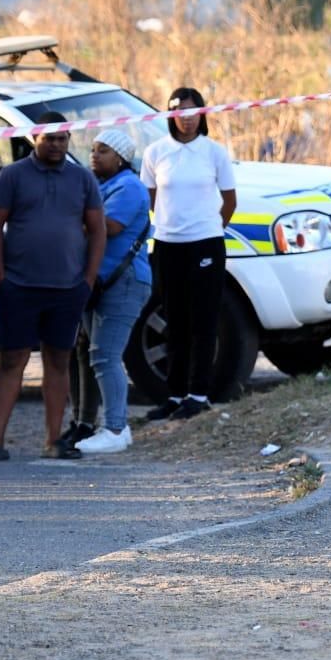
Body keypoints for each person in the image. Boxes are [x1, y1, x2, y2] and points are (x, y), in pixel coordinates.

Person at [0, 114, 105, 462]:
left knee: (59, 361)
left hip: (67, 287)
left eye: (62, 139)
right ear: (35, 138)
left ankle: (54, 440)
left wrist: (88, 279)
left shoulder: (82, 178)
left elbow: (97, 230)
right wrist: (0, 277)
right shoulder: (13, 175)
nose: (57, 145)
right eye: (50, 139)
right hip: (19, 286)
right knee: (11, 360)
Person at [139, 87, 237, 422]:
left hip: (205, 243)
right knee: (175, 320)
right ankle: (175, 394)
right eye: (180, 113)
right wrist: (170, 222)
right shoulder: (156, 152)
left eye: (193, 112)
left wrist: (209, 227)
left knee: (204, 320)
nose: (187, 119)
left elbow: (230, 200)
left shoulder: (214, 152)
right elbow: (150, 196)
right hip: (168, 244)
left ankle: (199, 394)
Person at [75, 130, 153, 455]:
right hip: (98, 282)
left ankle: (116, 429)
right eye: (93, 149)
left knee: (105, 355)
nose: (95, 155)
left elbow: (108, 227)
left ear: (120, 157)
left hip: (124, 282)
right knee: (95, 354)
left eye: (103, 150)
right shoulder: (100, 185)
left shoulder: (129, 187)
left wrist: (64, 218)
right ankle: (101, 424)